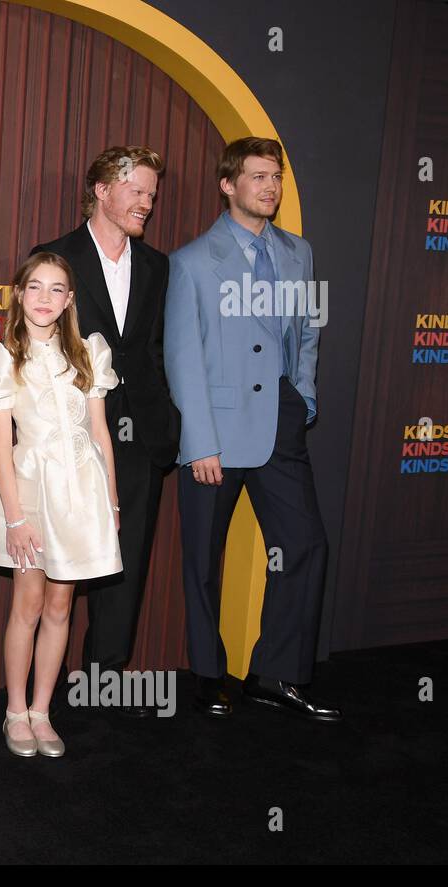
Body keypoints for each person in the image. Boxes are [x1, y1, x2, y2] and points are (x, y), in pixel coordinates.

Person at [164, 136, 340, 722]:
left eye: (276, 178)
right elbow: (183, 359)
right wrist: (200, 443)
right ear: (228, 184)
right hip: (216, 431)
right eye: (258, 176)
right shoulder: (191, 262)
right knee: (203, 560)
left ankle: (275, 674)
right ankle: (209, 676)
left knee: (305, 545)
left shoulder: (299, 254)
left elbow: (309, 331)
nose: (269, 187)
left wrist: (304, 394)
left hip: (281, 425)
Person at [30, 146, 177, 716]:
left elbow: (159, 350)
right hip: (68, 434)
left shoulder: (159, 266)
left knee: (126, 558)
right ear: (101, 190)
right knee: (59, 566)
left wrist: (166, 422)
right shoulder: (55, 257)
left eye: (151, 194)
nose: (146, 202)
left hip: (139, 435)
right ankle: (42, 694)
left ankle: (104, 682)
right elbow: (33, 344)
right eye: (137, 191)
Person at [0, 252, 122, 757]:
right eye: (34, 287)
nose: (44, 299)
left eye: (56, 289)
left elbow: (100, 434)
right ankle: (15, 712)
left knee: (62, 606)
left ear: (69, 300)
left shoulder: (88, 353)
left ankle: (42, 711)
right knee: (29, 604)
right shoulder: (3, 357)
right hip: (31, 491)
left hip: (81, 495)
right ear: (19, 294)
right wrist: (15, 518)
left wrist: (113, 504)